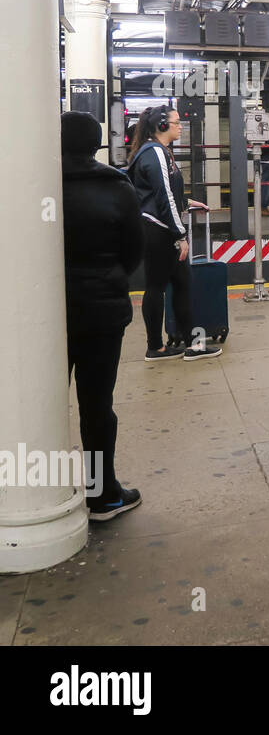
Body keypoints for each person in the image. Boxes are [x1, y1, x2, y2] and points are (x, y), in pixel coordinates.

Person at [61, 112, 145, 521]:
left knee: (36, 403)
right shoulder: (116, 185)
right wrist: (109, 278)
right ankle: (102, 495)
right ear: (96, 143)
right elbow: (133, 251)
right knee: (97, 406)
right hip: (102, 311)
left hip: (42, 317)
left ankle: (35, 496)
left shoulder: (28, 184)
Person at [126, 105, 222, 361]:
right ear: (162, 125)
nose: (181, 126)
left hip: (157, 226)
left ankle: (187, 344)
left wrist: (188, 203)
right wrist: (180, 235)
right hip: (160, 230)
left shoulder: (155, 151)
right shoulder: (156, 152)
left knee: (179, 284)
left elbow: (163, 191)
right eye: (177, 122)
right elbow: (162, 195)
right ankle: (158, 347)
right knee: (159, 286)